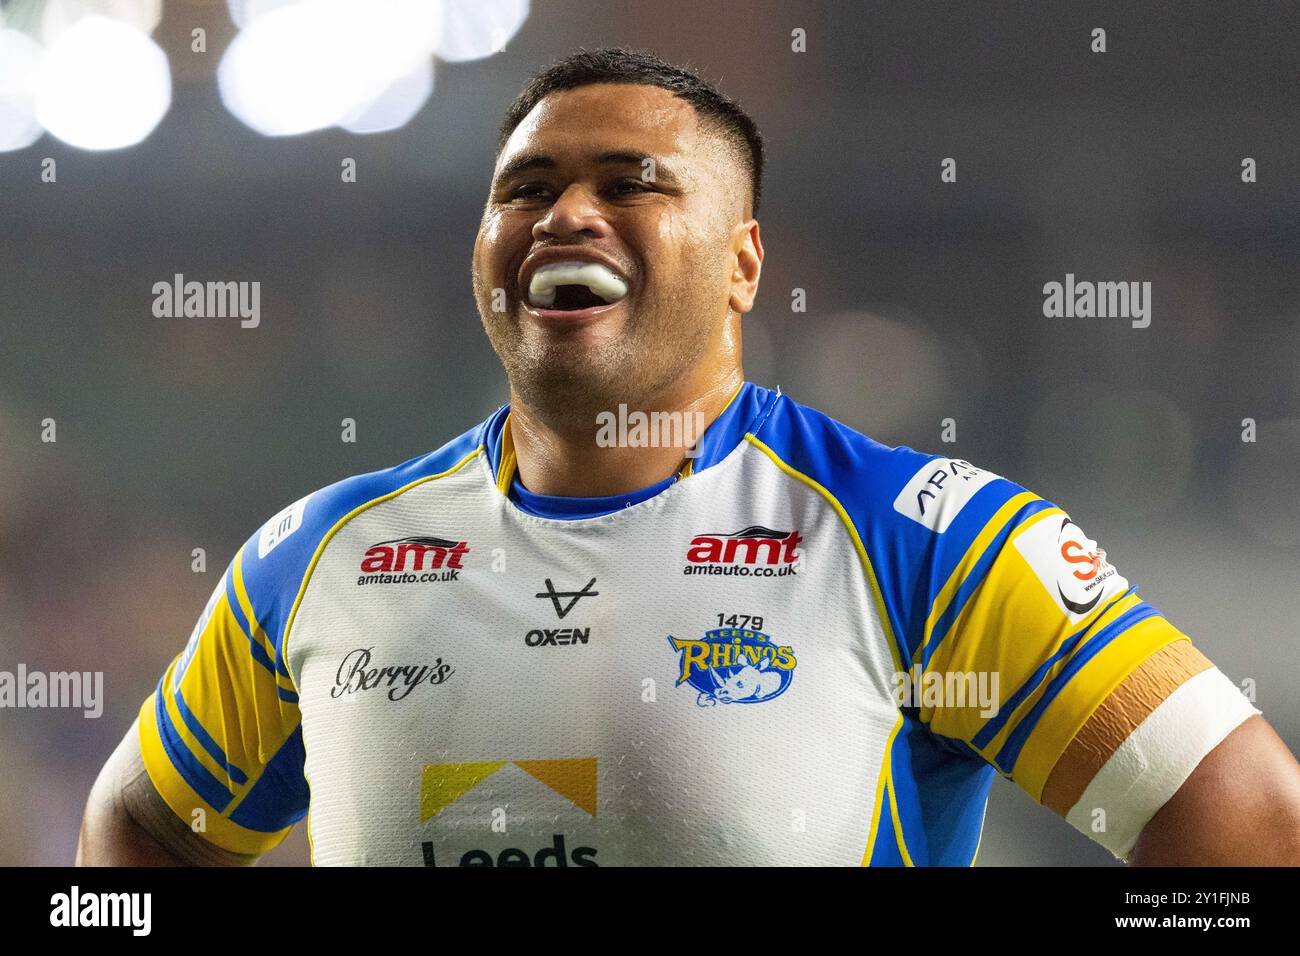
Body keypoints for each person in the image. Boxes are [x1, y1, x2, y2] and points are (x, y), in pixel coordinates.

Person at [77, 47, 1300, 866]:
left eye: (631, 182)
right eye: (527, 188)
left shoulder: (923, 538)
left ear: (741, 262)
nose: (564, 215)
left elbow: (1249, 824)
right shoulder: (318, 556)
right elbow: (131, 841)